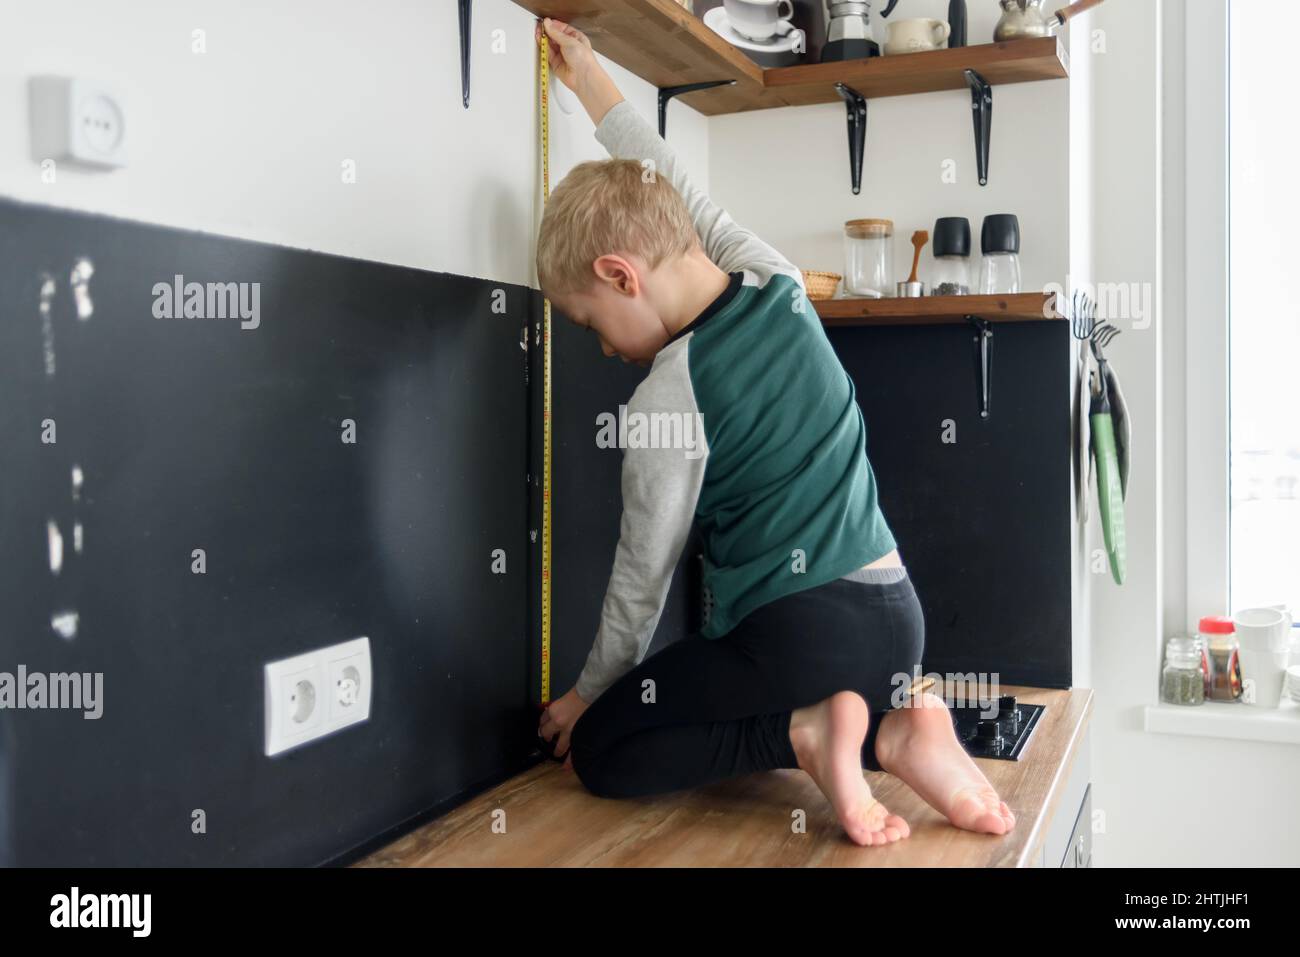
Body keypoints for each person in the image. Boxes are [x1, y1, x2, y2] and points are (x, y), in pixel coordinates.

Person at [533, 16, 1014, 846]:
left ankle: (813, 732)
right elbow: (673, 182)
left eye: (591, 321)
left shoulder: (665, 399)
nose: (606, 346)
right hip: (899, 622)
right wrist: (590, 81)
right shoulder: (776, 277)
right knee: (730, 689)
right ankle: (899, 728)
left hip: (804, 644)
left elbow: (641, 578)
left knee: (608, 750)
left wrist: (586, 695)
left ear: (620, 274)